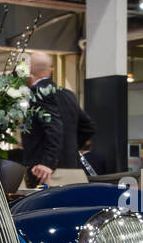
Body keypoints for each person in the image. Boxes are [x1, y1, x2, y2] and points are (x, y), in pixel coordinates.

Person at [21, 51, 95, 186]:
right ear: (50, 69)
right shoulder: (68, 94)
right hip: (73, 170)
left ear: (29, 70)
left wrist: (47, 163)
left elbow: (53, 126)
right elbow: (88, 127)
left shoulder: (38, 94)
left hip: (45, 173)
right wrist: (69, 149)